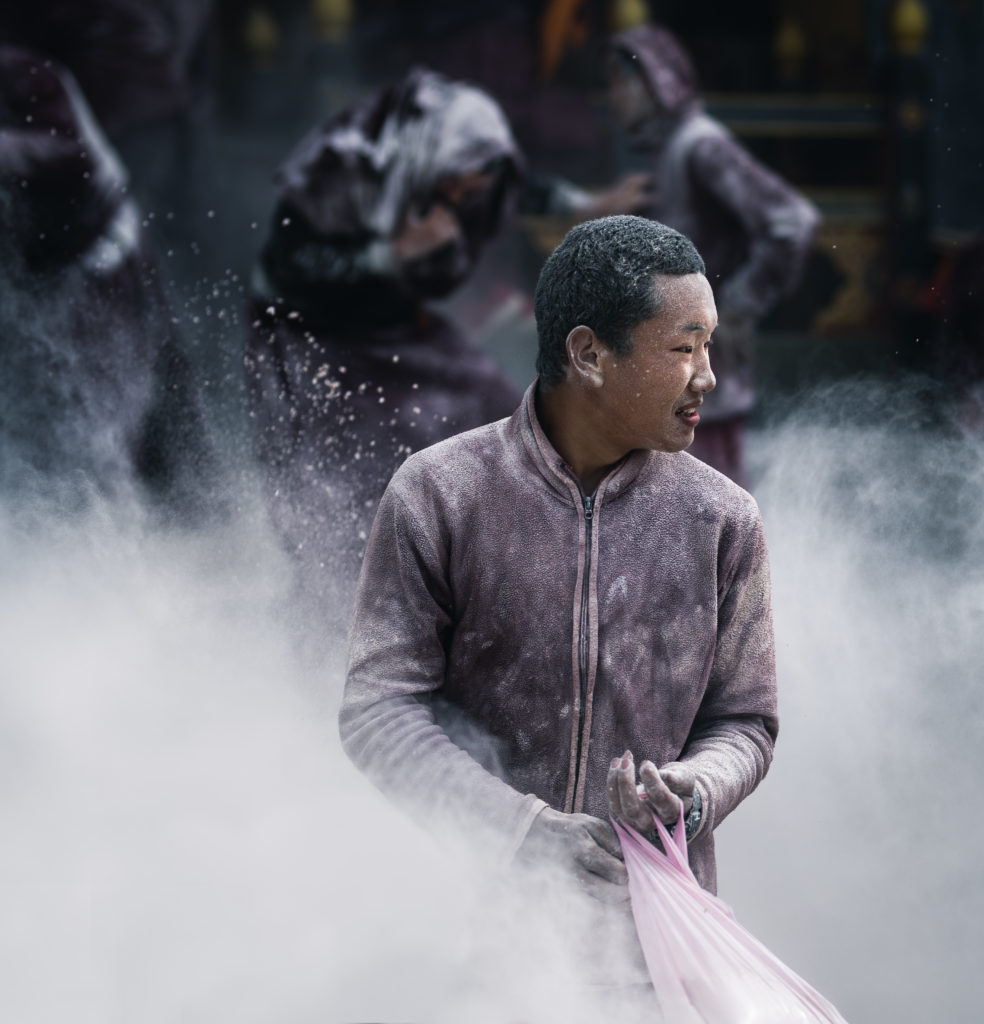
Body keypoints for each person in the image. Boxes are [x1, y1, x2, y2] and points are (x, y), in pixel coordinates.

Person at [340, 216, 778, 925]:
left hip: (651, 931)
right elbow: (379, 711)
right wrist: (520, 835)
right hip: (466, 929)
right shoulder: (439, 494)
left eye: (708, 346)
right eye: (683, 347)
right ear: (589, 354)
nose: (708, 376)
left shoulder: (722, 519)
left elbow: (745, 722)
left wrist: (692, 792)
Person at [246, 68, 524, 616]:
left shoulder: (461, 173)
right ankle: (342, 619)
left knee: (498, 409)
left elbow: (513, 190)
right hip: (306, 335)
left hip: (392, 329)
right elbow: (293, 265)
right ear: (434, 150)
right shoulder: (343, 166)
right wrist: (390, 255)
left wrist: (584, 200)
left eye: (474, 187)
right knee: (343, 481)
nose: (461, 197)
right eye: (457, 180)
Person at [0, 41, 214, 511]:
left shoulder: (23, 76)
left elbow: (69, 154)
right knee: (42, 422)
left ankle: (175, 519)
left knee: (130, 408)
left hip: (102, 258)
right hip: (27, 288)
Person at [595, 24, 820, 484]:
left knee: (708, 505)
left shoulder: (701, 145)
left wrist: (735, 307)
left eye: (621, 83)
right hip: (669, 373)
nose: (614, 98)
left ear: (654, 82)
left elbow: (791, 221)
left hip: (703, 379)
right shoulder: (668, 151)